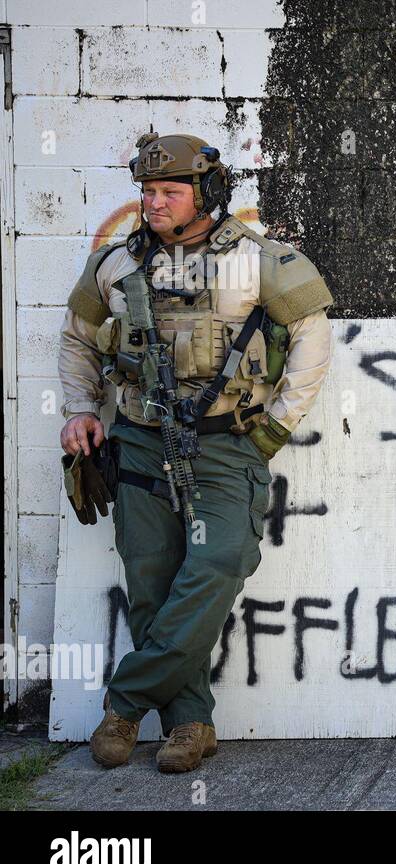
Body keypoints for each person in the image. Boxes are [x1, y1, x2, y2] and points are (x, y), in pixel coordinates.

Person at [59, 132, 334, 772]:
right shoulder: (116, 263)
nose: (153, 203)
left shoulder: (260, 260)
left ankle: (124, 703)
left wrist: (273, 431)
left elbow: (312, 341)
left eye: (169, 192)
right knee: (151, 582)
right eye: (147, 192)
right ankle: (189, 724)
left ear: (206, 193)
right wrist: (78, 409)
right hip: (137, 440)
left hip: (224, 444)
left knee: (219, 563)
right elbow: (76, 340)